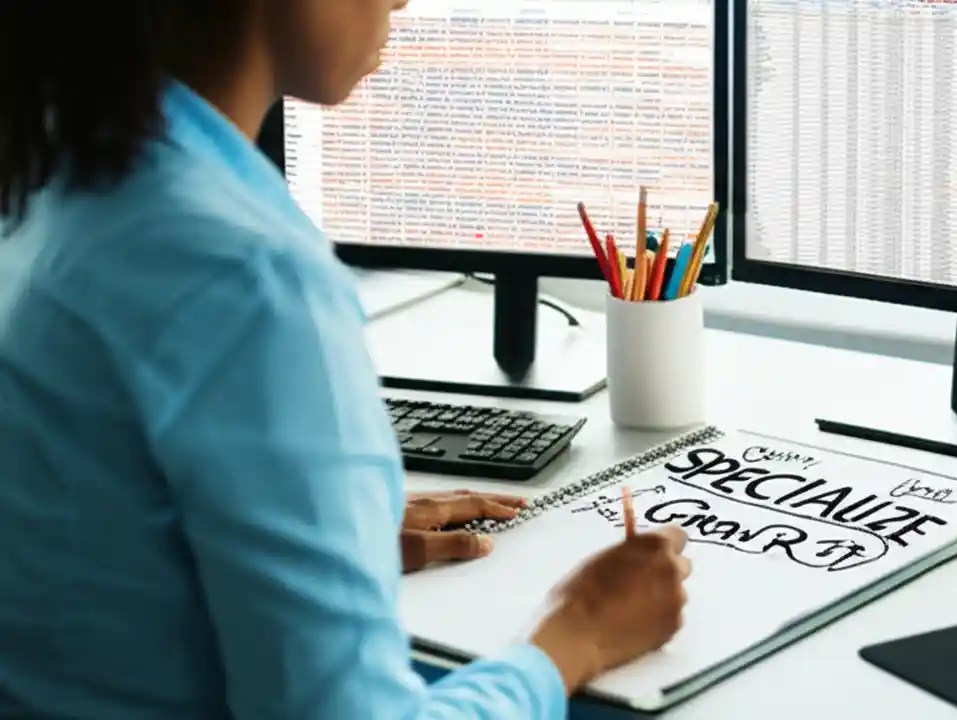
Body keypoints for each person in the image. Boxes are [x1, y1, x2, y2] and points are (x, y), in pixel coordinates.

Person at [0, 2, 691, 719]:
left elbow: (94, 546)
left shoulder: (54, 172)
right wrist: (576, 634)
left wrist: (313, 539)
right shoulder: (246, 273)